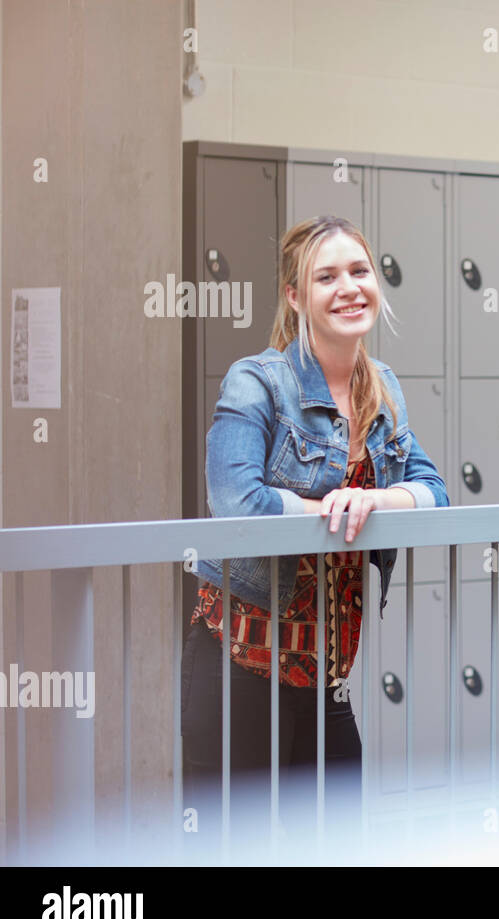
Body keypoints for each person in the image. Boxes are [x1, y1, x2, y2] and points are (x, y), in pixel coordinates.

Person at [181, 215, 448, 846]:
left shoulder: (383, 391)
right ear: (296, 297)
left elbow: (433, 495)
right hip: (238, 667)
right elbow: (235, 502)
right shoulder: (259, 382)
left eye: (359, 271)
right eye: (326, 276)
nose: (349, 287)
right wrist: (331, 506)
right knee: (228, 848)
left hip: (324, 673)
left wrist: (374, 499)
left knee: (337, 846)